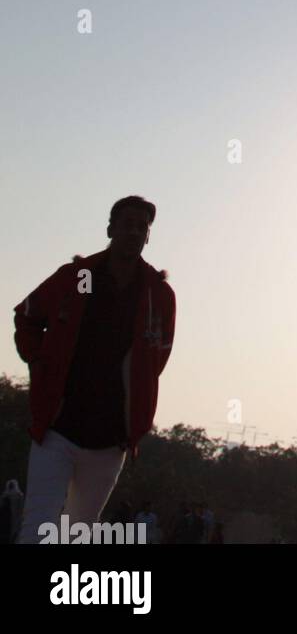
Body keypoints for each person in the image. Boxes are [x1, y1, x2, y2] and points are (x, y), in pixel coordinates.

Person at [12, 196, 176, 544]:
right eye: (126, 223)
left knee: (76, 534)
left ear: (148, 236)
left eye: (141, 227)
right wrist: (39, 362)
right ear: (110, 229)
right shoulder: (79, 277)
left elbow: (156, 359)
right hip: (57, 427)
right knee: (37, 530)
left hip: (110, 438)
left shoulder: (157, 295)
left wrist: (137, 395)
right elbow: (27, 315)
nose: (133, 231)